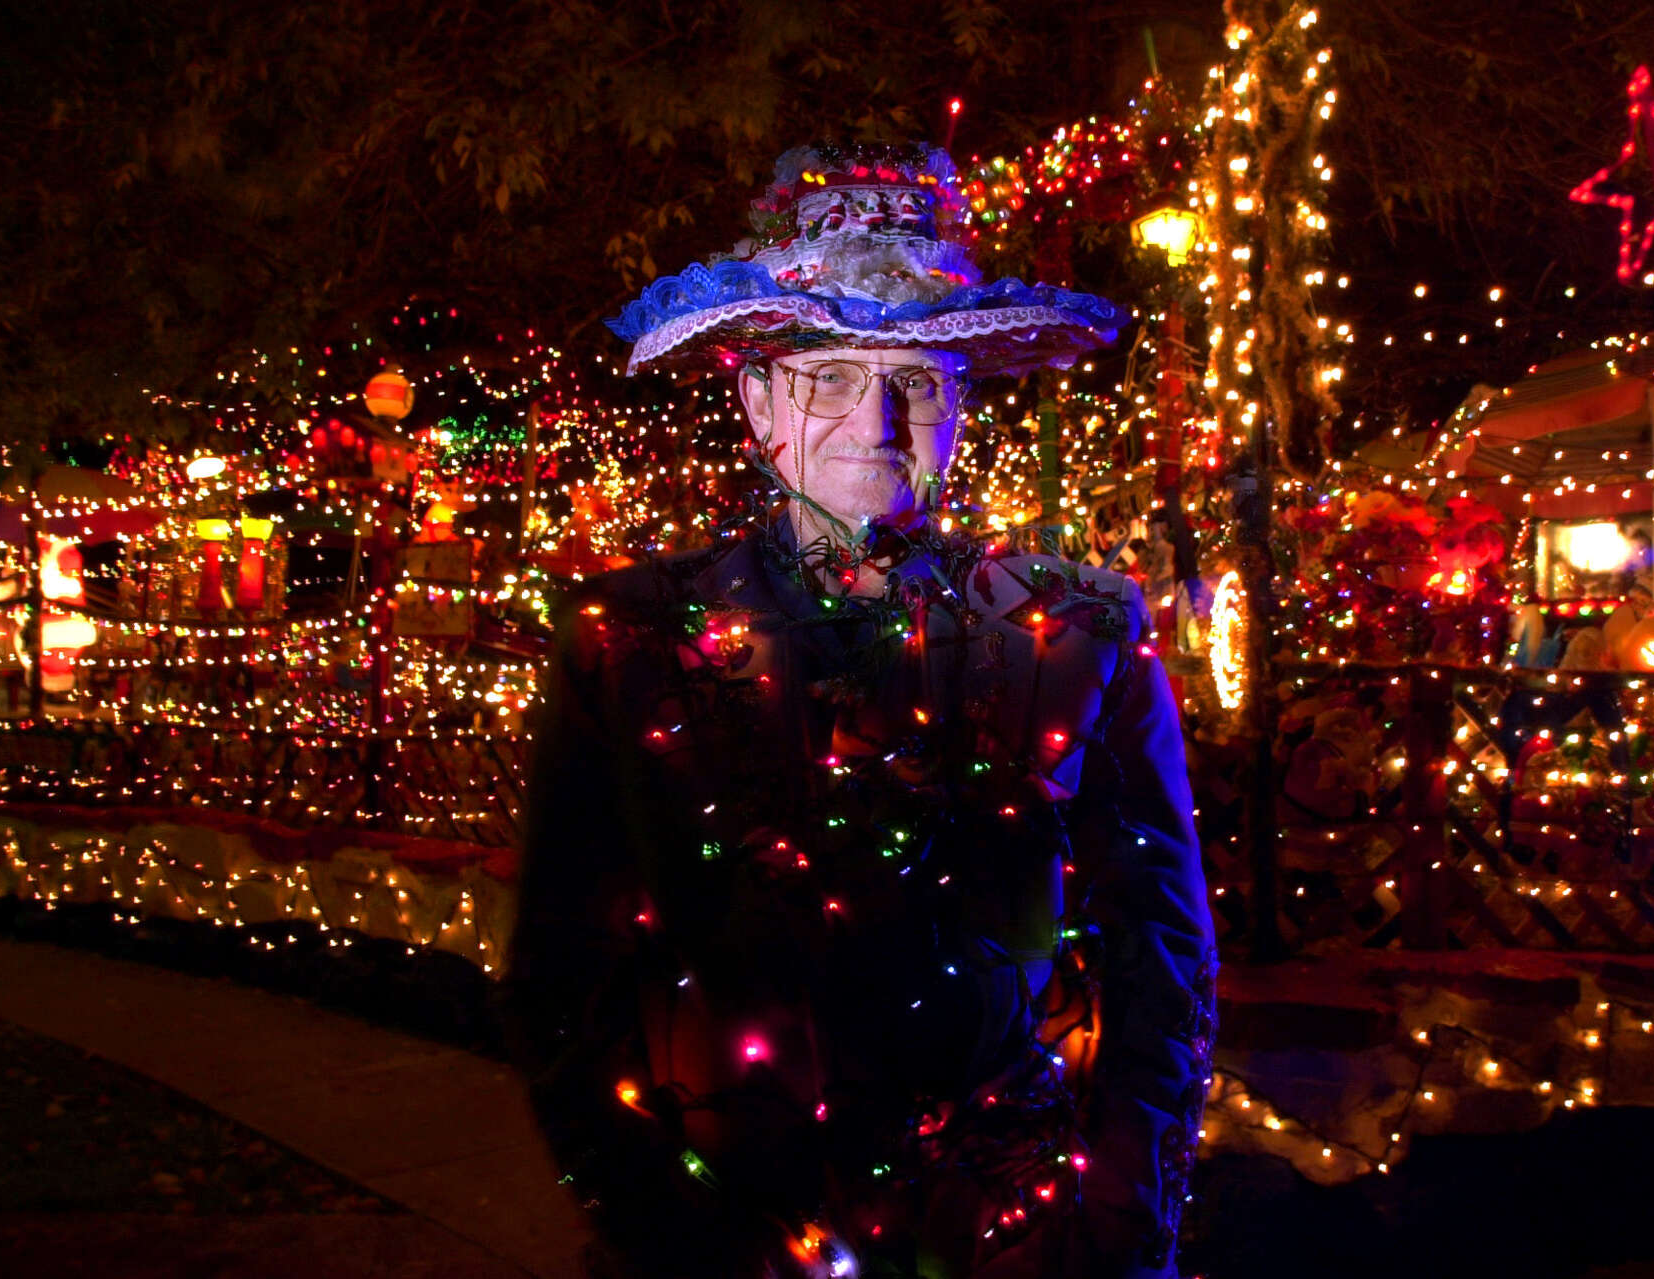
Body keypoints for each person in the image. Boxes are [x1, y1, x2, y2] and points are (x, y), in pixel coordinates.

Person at [512, 143, 1214, 1279]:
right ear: (757, 403)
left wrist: (1124, 1219)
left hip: (1015, 1234)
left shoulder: (1080, 626)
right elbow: (564, 975)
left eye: (918, 379)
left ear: (960, 407)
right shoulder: (628, 636)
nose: (876, 417)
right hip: (726, 1227)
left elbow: (1161, 957)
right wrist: (659, 1223)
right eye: (832, 373)